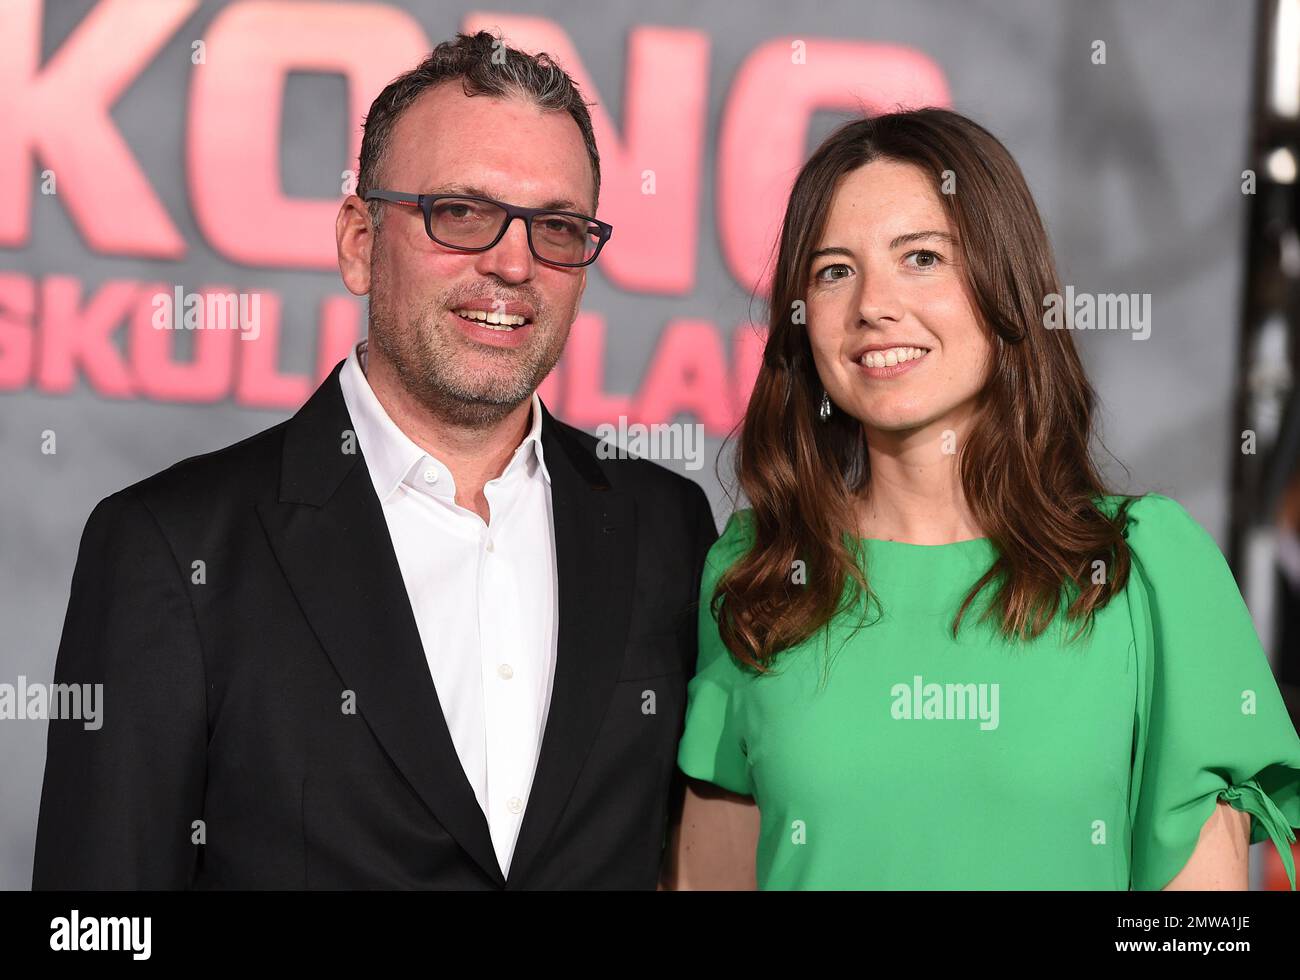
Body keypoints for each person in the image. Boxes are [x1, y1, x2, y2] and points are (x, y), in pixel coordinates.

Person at [33, 31, 717, 890]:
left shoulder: (668, 526)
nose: (512, 263)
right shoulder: (171, 548)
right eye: (461, 213)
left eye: (556, 227)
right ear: (359, 241)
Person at [664, 108, 1300, 890]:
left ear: (1005, 282)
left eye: (922, 258)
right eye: (834, 270)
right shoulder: (760, 573)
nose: (874, 304)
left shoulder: (1146, 571)